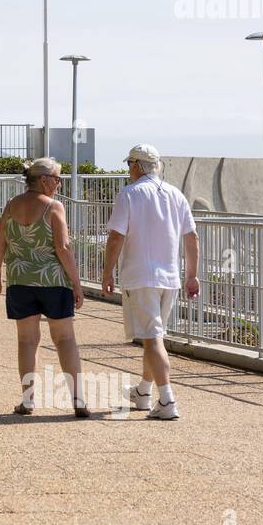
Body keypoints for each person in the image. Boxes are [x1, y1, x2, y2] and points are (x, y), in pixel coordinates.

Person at [101, 144, 200, 421]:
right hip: (170, 278)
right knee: (151, 336)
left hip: (140, 276)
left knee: (153, 338)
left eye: (129, 164)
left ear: (136, 165)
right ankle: (143, 392)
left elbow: (116, 236)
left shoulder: (129, 194)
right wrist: (192, 274)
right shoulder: (176, 194)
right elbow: (191, 237)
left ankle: (167, 399)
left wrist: (108, 271)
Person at [0, 158, 89, 418]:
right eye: (57, 179)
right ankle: (78, 400)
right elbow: (63, 247)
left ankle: (28, 400)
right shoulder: (54, 207)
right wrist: (77, 283)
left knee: (26, 340)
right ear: (43, 180)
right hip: (53, 281)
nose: (58, 184)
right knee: (65, 339)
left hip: (20, 282)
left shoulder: (11, 206)